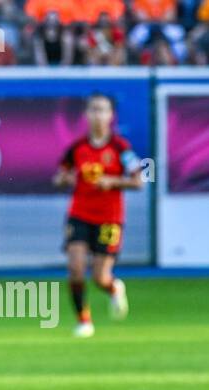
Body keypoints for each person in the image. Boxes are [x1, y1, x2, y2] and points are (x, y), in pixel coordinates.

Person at [53, 92, 142, 338]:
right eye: (93, 109)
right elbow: (60, 175)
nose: (97, 115)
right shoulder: (77, 148)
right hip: (79, 214)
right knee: (76, 267)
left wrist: (112, 181)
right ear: (86, 115)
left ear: (111, 116)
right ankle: (84, 321)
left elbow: (139, 181)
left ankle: (113, 288)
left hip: (109, 218)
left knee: (100, 277)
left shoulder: (120, 147)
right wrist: (63, 178)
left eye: (102, 110)